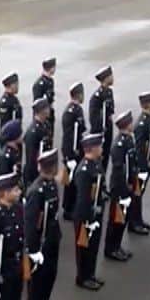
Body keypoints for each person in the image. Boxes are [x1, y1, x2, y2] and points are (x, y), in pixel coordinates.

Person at [24, 149, 63, 300]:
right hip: (40, 243)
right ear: (52, 167)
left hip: (52, 238)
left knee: (50, 275)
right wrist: (33, 251)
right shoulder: (36, 191)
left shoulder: (50, 185)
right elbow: (31, 224)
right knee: (37, 279)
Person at [72, 133, 106, 290]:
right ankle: (82, 277)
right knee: (84, 248)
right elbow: (83, 199)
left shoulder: (96, 163)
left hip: (95, 212)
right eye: (99, 146)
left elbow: (99, 186)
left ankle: (90, 274)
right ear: (91, 149)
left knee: (93, 246)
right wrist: (88, 219)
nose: (101, 148)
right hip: (85, 216)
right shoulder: (84, 170)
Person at [104, 111, 136, 262]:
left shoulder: (128, 140)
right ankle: (111, 248)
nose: (132, 124)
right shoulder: (119, 144)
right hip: (120, 188)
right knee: (116, 220)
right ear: (126, 125)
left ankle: (117, 246)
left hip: (127, 186)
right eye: (130, 122)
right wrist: (124, 189)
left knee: (122, 219)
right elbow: (119, 170)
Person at [129, 92, 150, 235]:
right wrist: (142, 166)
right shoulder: (142, 123)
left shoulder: (148, 119)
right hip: (142, 165)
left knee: (140, 193)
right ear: (147, 104)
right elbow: (139, 148)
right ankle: (134, 223)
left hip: (148, 163)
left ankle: (138, 220)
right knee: (137, 194)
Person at [61, 82, 87, 220]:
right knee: (70, 182)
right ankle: (68, 208)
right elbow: (73, 134)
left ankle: (68, 206)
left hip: (71, 150)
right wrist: (71, 154)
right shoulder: (75, 111)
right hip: (73, 151)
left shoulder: (72, 109)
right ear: (79, 95)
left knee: (69, 180)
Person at [88, 66, 115, 173]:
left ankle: (102, 181)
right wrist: (100, 132)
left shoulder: (109, 92)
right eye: (111, 76)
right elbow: (94, 118)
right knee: (99, 159)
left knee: (106, 156)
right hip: (101, 132)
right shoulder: (97, 97)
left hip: (108, 129)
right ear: (106, 78)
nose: (113, 78)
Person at [22, 98, 50, 188]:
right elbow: (31, 157)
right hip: (35, 173)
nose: (49, 110)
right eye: (47, 108)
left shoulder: (44, 125)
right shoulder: (33, 132)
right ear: (42, 111)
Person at [31, 57, 56, 146]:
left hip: (49, 114)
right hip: (43, 116)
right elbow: (36, 104)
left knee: (49, 140)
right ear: (52, 68)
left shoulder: (50, 81)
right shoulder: (39, 84)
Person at [0, 72, 23, 147]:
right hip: (9, 140)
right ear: (11, 85)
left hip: (16, 137)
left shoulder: (14, 99)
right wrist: (9, 140)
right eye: (16, 84)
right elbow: (5, 124)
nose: (18, 87)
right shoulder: (5, 103)